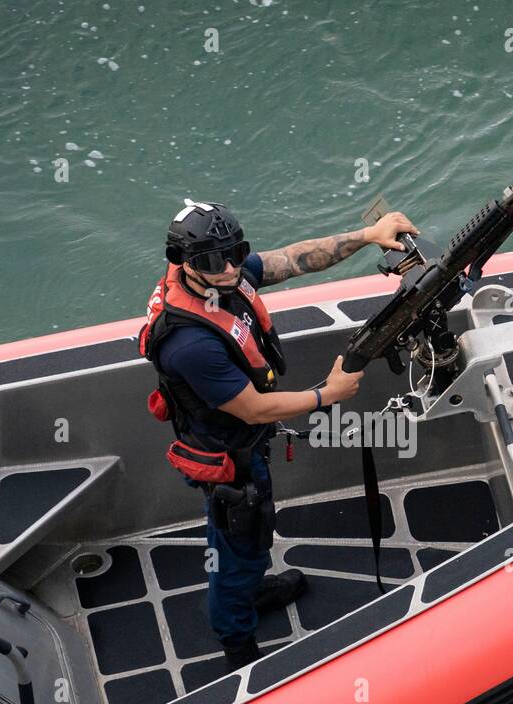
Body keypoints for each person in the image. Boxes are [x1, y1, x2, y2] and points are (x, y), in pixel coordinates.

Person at [138, 199, 418, 670]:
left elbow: (288, 260)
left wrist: (368, 235)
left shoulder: (218, 273)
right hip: (227, 457)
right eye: (213, 261)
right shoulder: (190, 343)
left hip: (246, 442)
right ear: (184, 262)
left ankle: (250, 585)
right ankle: (237, 642)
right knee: (236, 548)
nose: (229, 268)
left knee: (251, 538)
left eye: (235, 253)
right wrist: (326, 395)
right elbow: (252, 408)